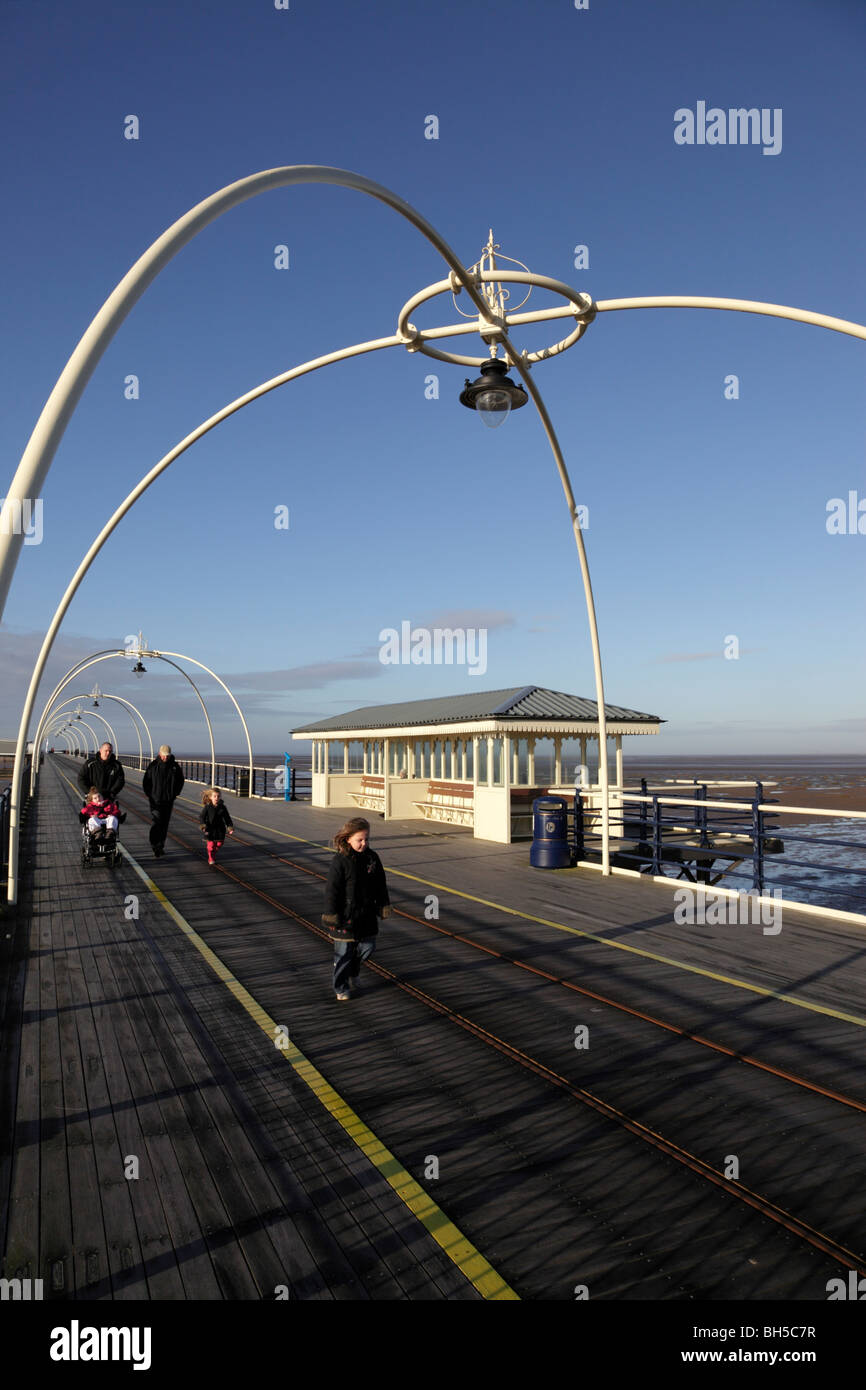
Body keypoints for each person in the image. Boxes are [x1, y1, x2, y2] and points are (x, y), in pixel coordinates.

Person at [322, 817, 391, 1001]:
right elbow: (332, 889)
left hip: (366, 913)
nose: (364, 843)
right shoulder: (340, 860)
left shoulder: (372, 858)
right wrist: (331, 913)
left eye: (367, 839)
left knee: (368, 947)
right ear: (348, 839)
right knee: (343, 954)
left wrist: (383, 904)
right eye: (360, 839)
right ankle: (341, 987)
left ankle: (353, 970)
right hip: (345, 915)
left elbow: (380, 883)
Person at [142, 744, 185, 858]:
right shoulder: (153, 766)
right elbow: (146, 781)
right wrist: (150, 795)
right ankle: (154, 845)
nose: (165, 758)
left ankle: (161, 846)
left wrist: (175, 793)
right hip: (155, 800)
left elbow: (180, 781)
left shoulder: (175, 767)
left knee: (164, 824)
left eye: (167, 755)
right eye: (164, 755)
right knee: (157, 821)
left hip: (168, 800)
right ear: (160, 754)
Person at [199, 787, 234, 866]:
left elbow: (227, 818)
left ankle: (213, 852)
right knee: (211, 846)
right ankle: (211, 858)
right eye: (214, 796)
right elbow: (202, 817)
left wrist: (230, 827)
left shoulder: (223, 807)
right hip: (210, 829)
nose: (216, 798)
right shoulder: (207, 807)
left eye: (218, 796)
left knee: (219, 844)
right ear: (210, 797)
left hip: (220, 829)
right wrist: (203, 825)